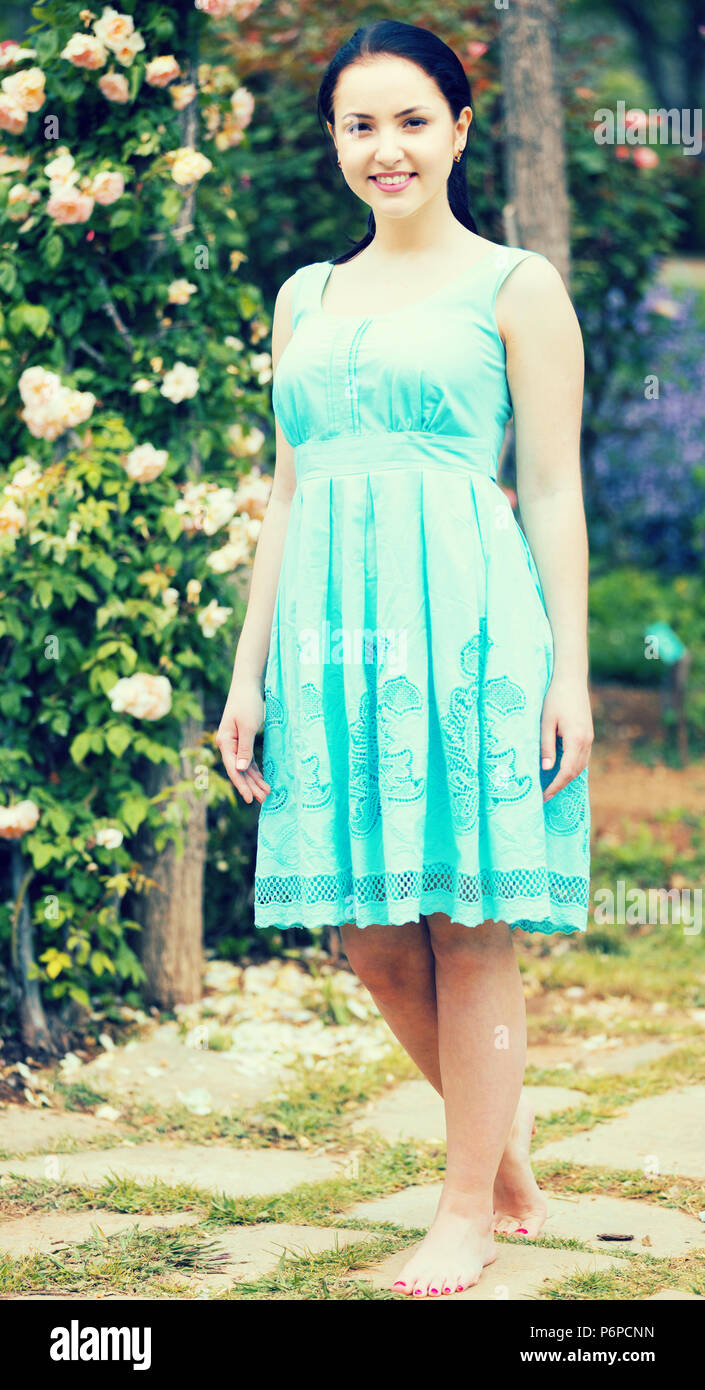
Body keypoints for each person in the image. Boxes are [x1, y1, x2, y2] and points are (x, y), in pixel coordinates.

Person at [217, 19, 593, 1299]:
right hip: (331, 637)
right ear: (334, 142)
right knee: (372, 937)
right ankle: (505, 1155)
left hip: (473, 628)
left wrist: (572, 674)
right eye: (359, 125)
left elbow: (551, 492)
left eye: (412, 120)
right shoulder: (304, 296)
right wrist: (249, 673)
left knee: (470, 925)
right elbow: (289, 487)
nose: (387, 148)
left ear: (459, 130)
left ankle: (463, 1206)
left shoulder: (516, 285)